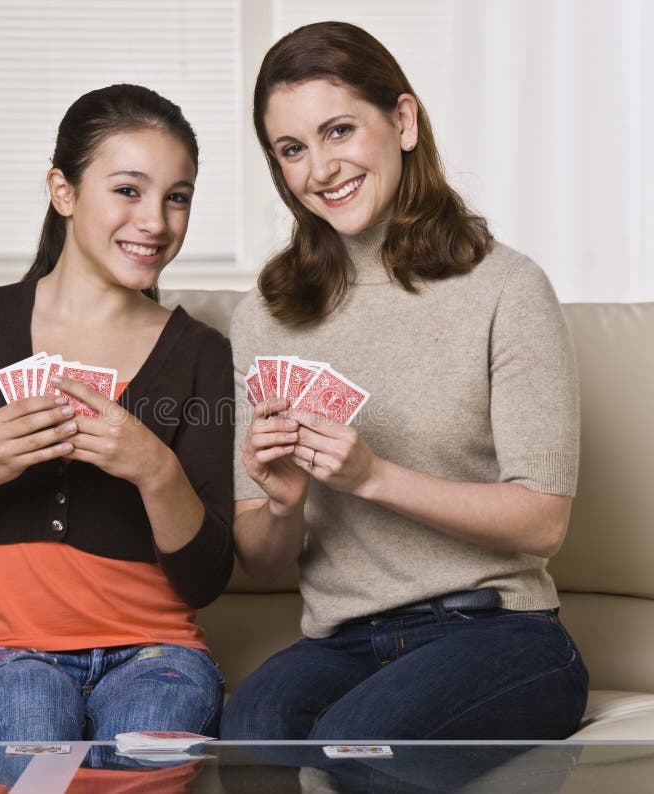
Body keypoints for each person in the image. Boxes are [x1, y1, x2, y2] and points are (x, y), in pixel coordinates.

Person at [220, 21, 588, 742]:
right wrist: (282, 503)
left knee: (357, 746)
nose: (320, 169)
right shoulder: (264, 318)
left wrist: (372, 476)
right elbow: (263, 562)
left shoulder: (507, 288)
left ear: (403, 120)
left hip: (498, 633)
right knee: (250, 734)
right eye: (292, 149)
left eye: (339, 131)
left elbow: (544, 521)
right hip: (345, 641)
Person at [0, 84, 234, 751]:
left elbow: (205, 580)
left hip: (158, 656)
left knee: (143, 749)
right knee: (36, 721)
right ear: (63, 192)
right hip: (4, 657)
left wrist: (156, 470)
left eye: (176, 196)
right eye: (128, 189)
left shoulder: (200, 354)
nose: (155, 221)